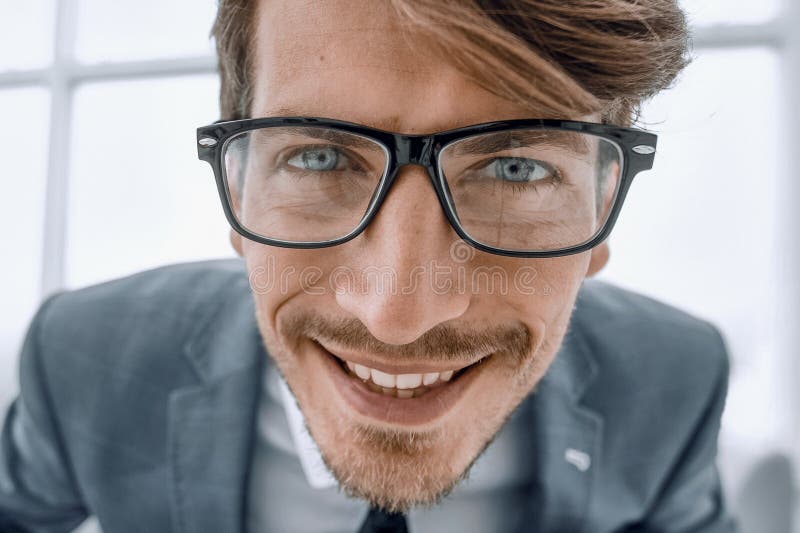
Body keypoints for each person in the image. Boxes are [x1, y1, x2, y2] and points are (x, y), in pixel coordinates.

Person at [0, 1, 737, 532]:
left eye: (515, 168)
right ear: (237, 190)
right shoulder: (83, 361)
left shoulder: (674, 379)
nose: (396, 314)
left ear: (603, 208)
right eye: (318, 158)